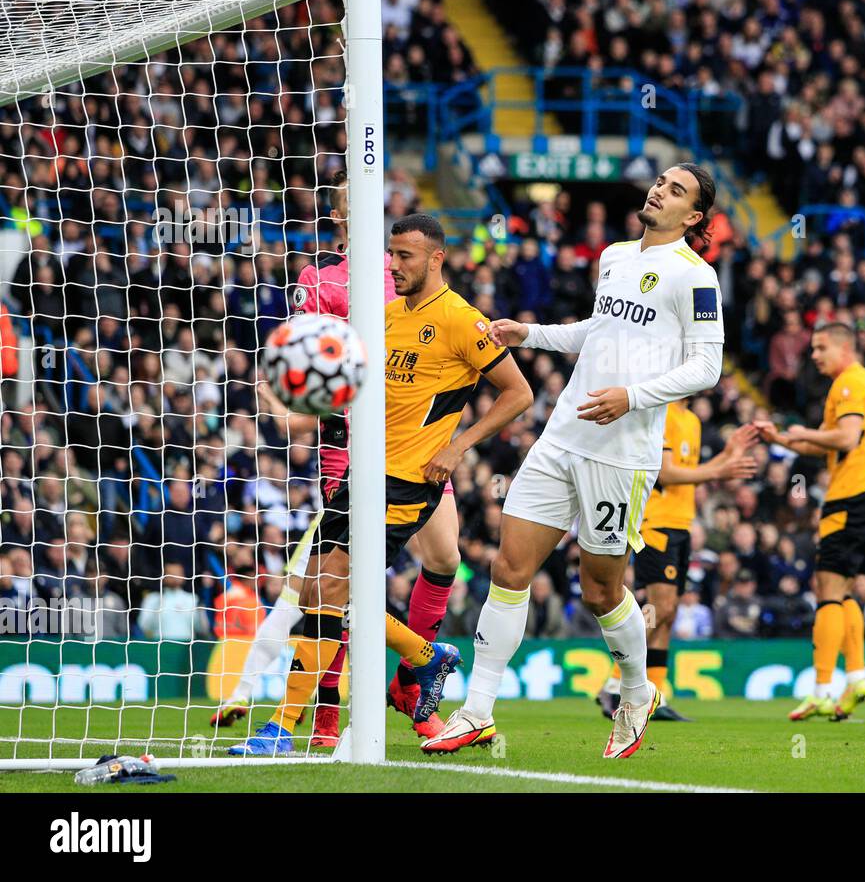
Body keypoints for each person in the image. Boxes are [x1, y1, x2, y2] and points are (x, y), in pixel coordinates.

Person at [424, 164, 725, 759]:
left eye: (676, 189)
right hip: (562, 436)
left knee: (600, 589)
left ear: (693, 216)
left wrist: (632, 398)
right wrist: (529, 335)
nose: (659, 189)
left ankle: (637, 694)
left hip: (623, 453)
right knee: (509, 569)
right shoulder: (613, 255)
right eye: (660, 181)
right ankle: (478, 709)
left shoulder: (697, 276)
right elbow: (599, 330)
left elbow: (707, 366)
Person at [229, 213, 534, 755]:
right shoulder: (388, 316)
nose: (393, 266)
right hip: (360, 471)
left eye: (405, 257)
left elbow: (518, 393)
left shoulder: (464, 321)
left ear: (436, 258)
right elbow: (357, 393)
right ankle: (424, 655)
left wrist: (458, 446)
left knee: (337, 587)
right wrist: (292, 405)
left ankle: (283, 725)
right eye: (391, 255)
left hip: (408, 482)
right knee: (324, 590)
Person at [214, 170, 465, 747]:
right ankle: (326, 716)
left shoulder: (404, 273)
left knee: (445, 558)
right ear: (337, 216)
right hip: (346, 447)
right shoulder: (320, 280)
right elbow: (299, 364)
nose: (366, 208)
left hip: (413, 448)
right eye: (352, 200)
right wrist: (285, 399)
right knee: (335, 586)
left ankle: (411, 679)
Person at [755, 322, 865, 722]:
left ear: (843, 348)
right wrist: (780, 437)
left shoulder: (848, 382)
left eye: (820, 348)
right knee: (845, 589)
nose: (814, 355)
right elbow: (823, 440)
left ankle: (820, 689)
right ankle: (857, 677)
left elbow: (846, 438)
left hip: (851, 497)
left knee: (828, 591)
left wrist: (800, 431)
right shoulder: (863, 382)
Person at [596, 402, 758, 721]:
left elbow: (693, 471)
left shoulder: (692, 420)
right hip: (656, 524)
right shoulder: (661, 412)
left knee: (667, 616)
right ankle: (613, 683)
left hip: (682, 525)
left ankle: (654, 695)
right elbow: (666, 472)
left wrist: (731, 452)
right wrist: (717, 470)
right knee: (659, 608)